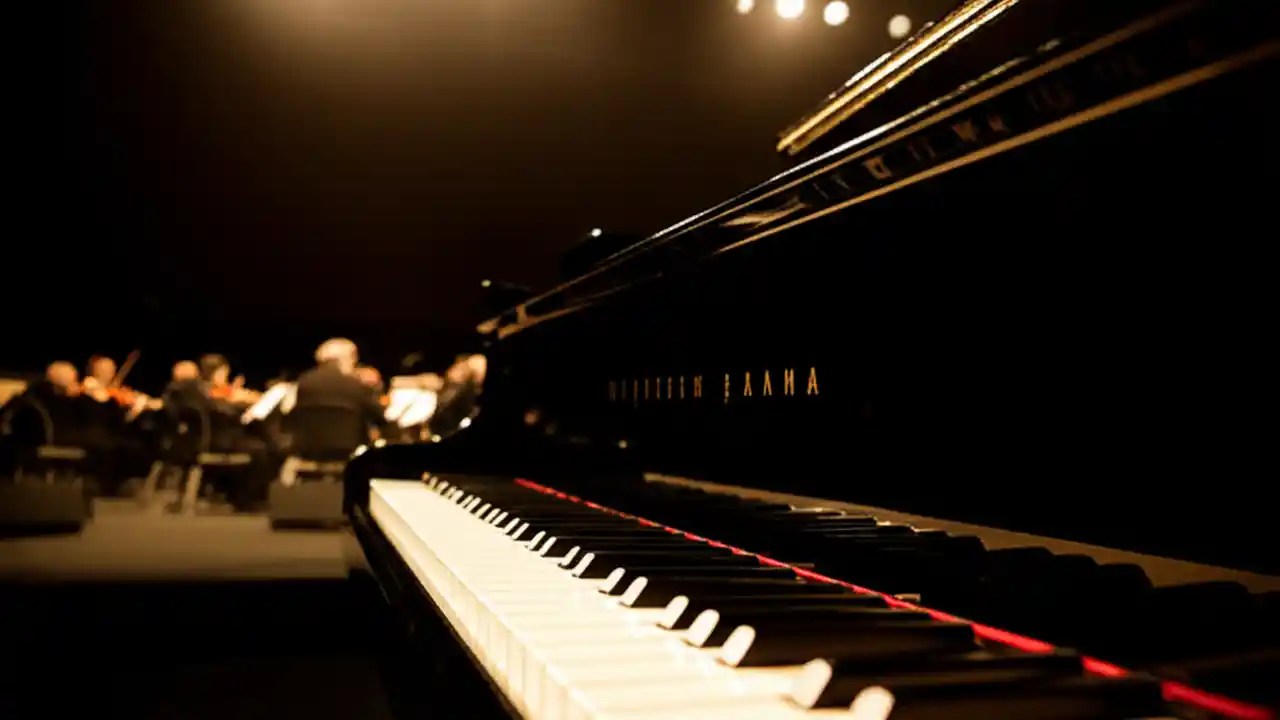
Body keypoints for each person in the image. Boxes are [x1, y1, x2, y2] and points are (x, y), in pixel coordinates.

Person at [287, 338, 388, 461]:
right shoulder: (354, 384)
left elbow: (290, 417)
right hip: (347, 454)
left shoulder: (303, 382)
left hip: (307, 454)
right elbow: (379, 417)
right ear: (346, 359)